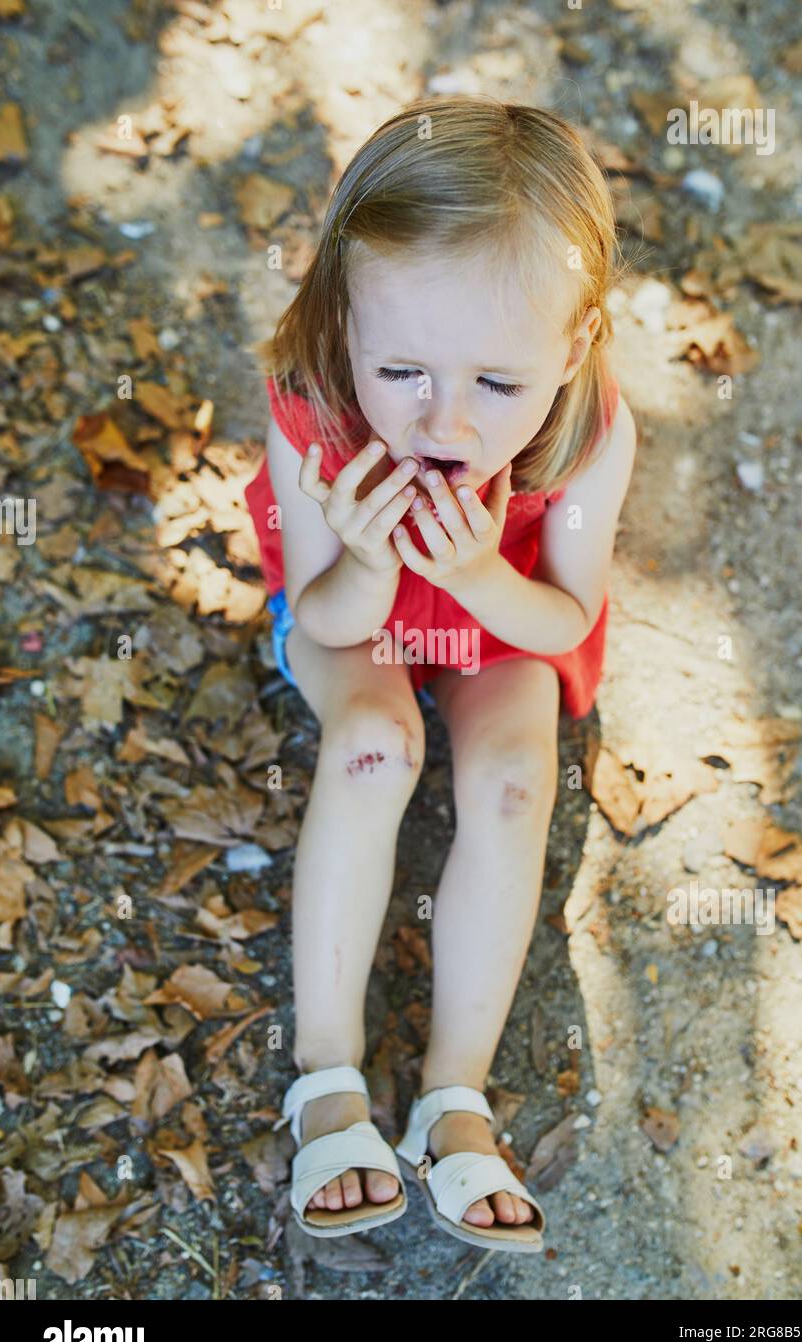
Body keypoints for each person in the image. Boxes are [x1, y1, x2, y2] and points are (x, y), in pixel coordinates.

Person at [244, 94, 637, 1252]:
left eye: (496, 386)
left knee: (517, 776)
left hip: (499, 608)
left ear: (567, 348)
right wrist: (370, 556)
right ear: (342, 317)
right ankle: (325, 1073)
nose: (442, 421)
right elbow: (316, 607)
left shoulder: (591, 429)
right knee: (374, 749)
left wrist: (468, 574)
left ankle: (453, 1099)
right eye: (402, 367)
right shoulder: (310, 404)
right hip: (353, 610)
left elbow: (563, 615)